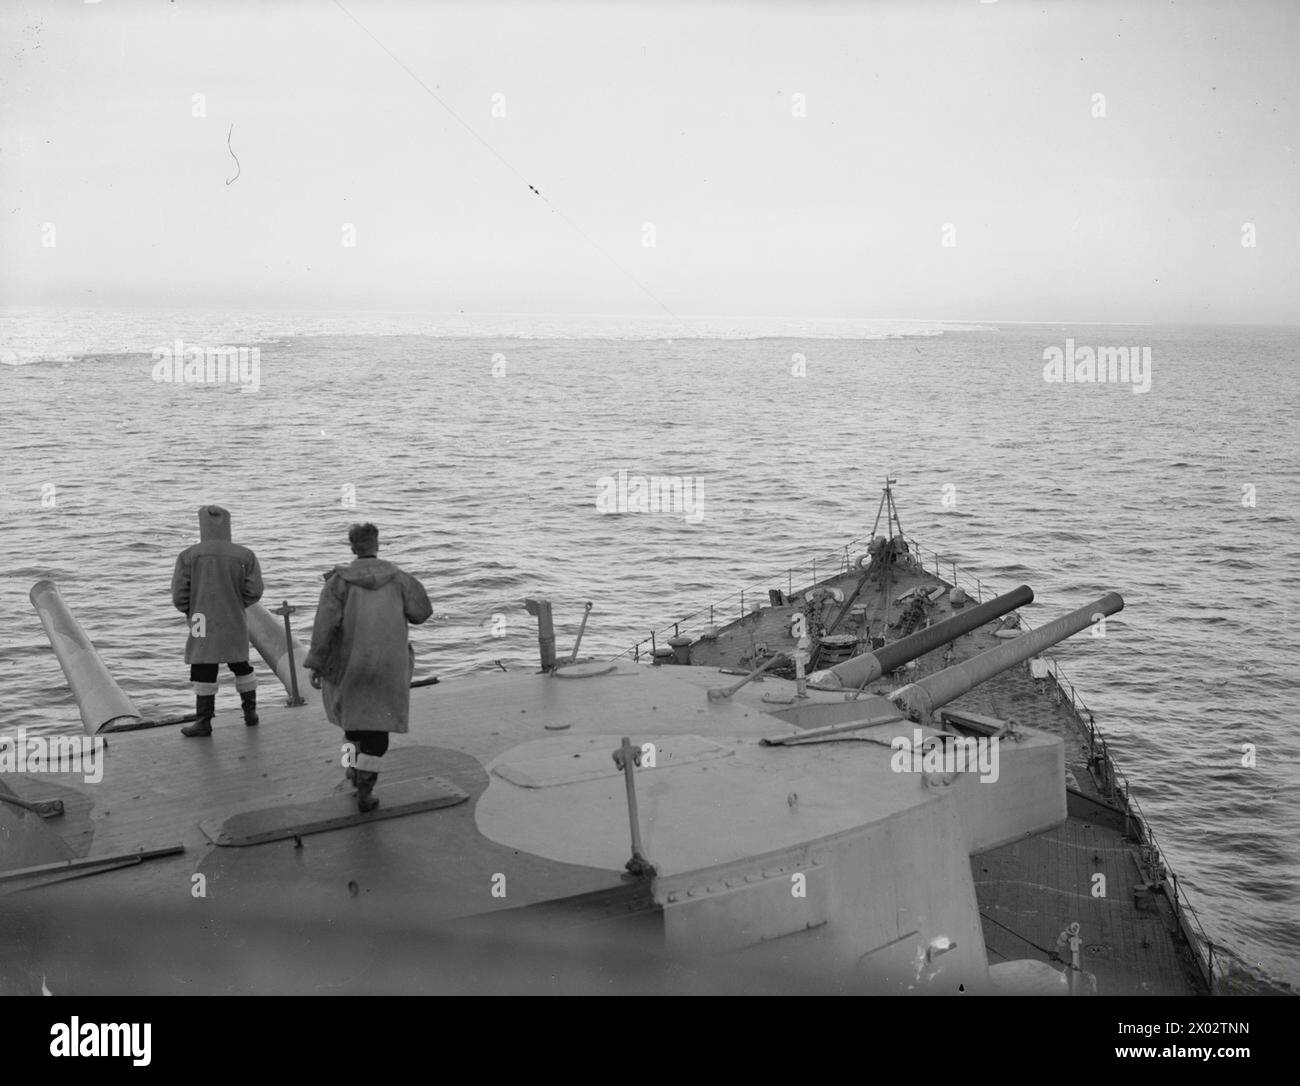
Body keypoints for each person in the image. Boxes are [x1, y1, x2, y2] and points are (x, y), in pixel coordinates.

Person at [304, 523, 431, 812]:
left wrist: (316, 663)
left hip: (350, 666)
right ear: (377, 545)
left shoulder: (337, 582)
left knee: (351, 727)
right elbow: (422, 613)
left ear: (352, 548)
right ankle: (366, 786)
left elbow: (323, 628)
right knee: (378, 732)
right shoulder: (399, 579)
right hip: (389, 666)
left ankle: (351, 770)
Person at [171, 505, 264, 737]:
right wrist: (237, 602)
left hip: (201, 616)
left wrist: (190, 610)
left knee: (203, 664)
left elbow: (179, 594)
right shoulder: (245, 555)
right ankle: (250, 712)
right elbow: (255, 590)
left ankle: (204, 721)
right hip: (233, 613)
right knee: (240, 662)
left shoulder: (188, 555)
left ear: (201, 525)